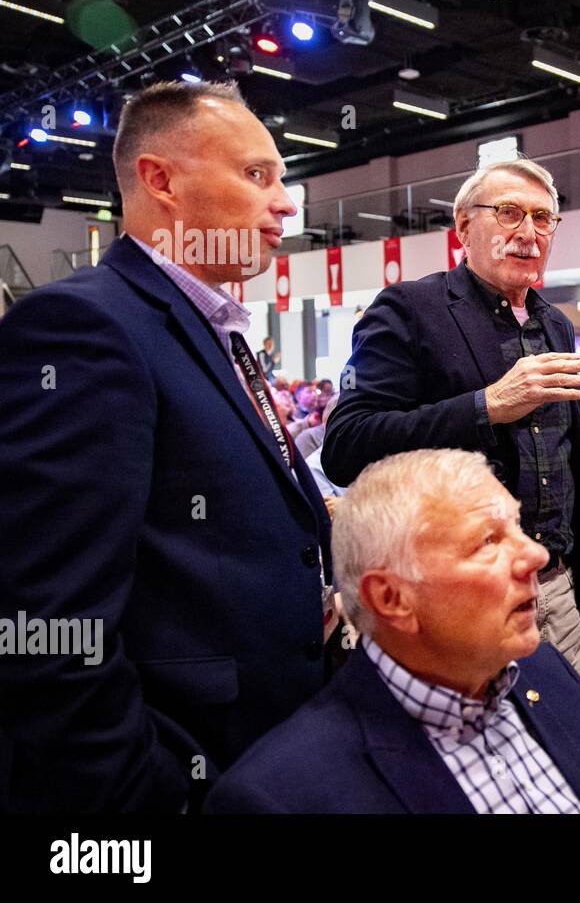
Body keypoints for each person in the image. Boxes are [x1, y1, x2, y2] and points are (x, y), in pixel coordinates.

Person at [0, 80, 333, 811]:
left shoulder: (214, 329)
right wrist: (144, 797)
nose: (285, 202)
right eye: (256, 175)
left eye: (282, 178)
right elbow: (47, 626)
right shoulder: (86, 327)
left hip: (261, 748)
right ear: (160, 181)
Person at [206, 450, 580, 814]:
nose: (536, 555)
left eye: (519, 529)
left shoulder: (548, 674)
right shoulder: (284, 797)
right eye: (487, 542)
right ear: (393, 598)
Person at [322, 158, 580, 679]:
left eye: (544, 219)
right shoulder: (408, 309)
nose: (529, 233)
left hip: (555, 592)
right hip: (455, 595)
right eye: (510, 212)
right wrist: (488, 405)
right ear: (465, 225)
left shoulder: (554, 323)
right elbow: (346, 444)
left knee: (561, 750)